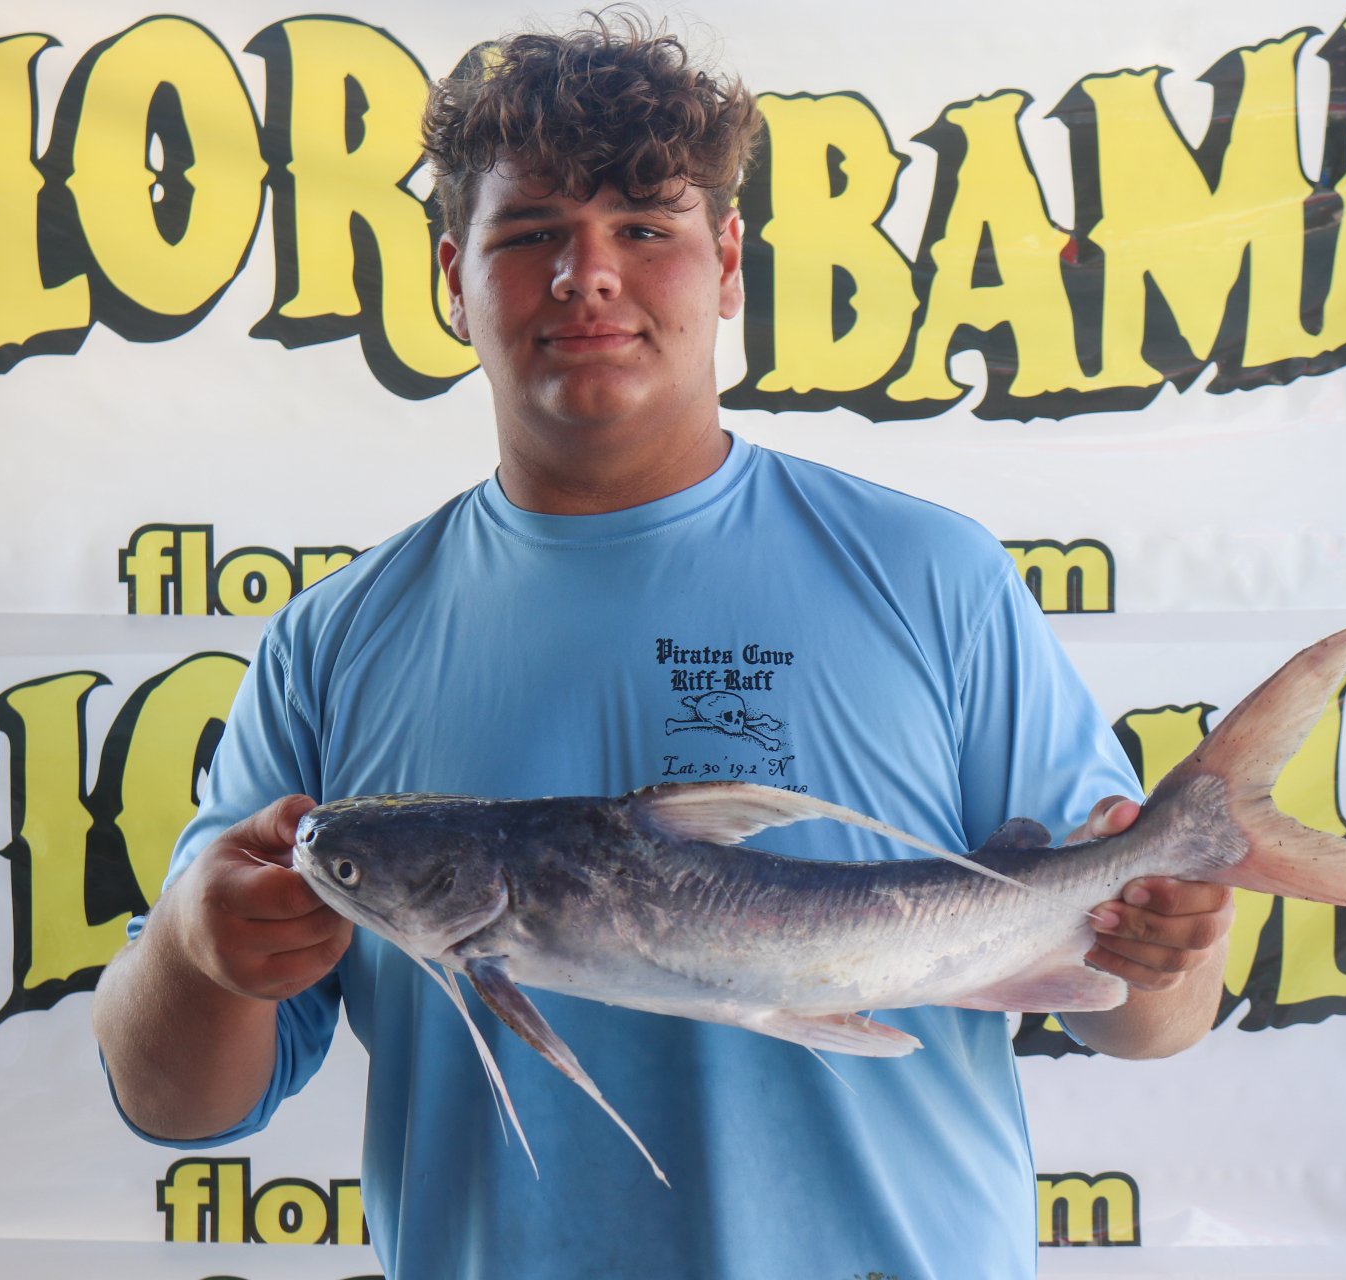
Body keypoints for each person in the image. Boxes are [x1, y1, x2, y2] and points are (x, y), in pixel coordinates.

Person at [92, 14, 1235, 1278]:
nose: (588, 275)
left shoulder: (934, 576)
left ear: (730, 262)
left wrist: (1167, 945)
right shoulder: (329, 642)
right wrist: (196, 954)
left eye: (646, 228)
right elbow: (174, 1103)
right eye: (530, 236)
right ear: (450, 279)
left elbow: (1148, 1020)